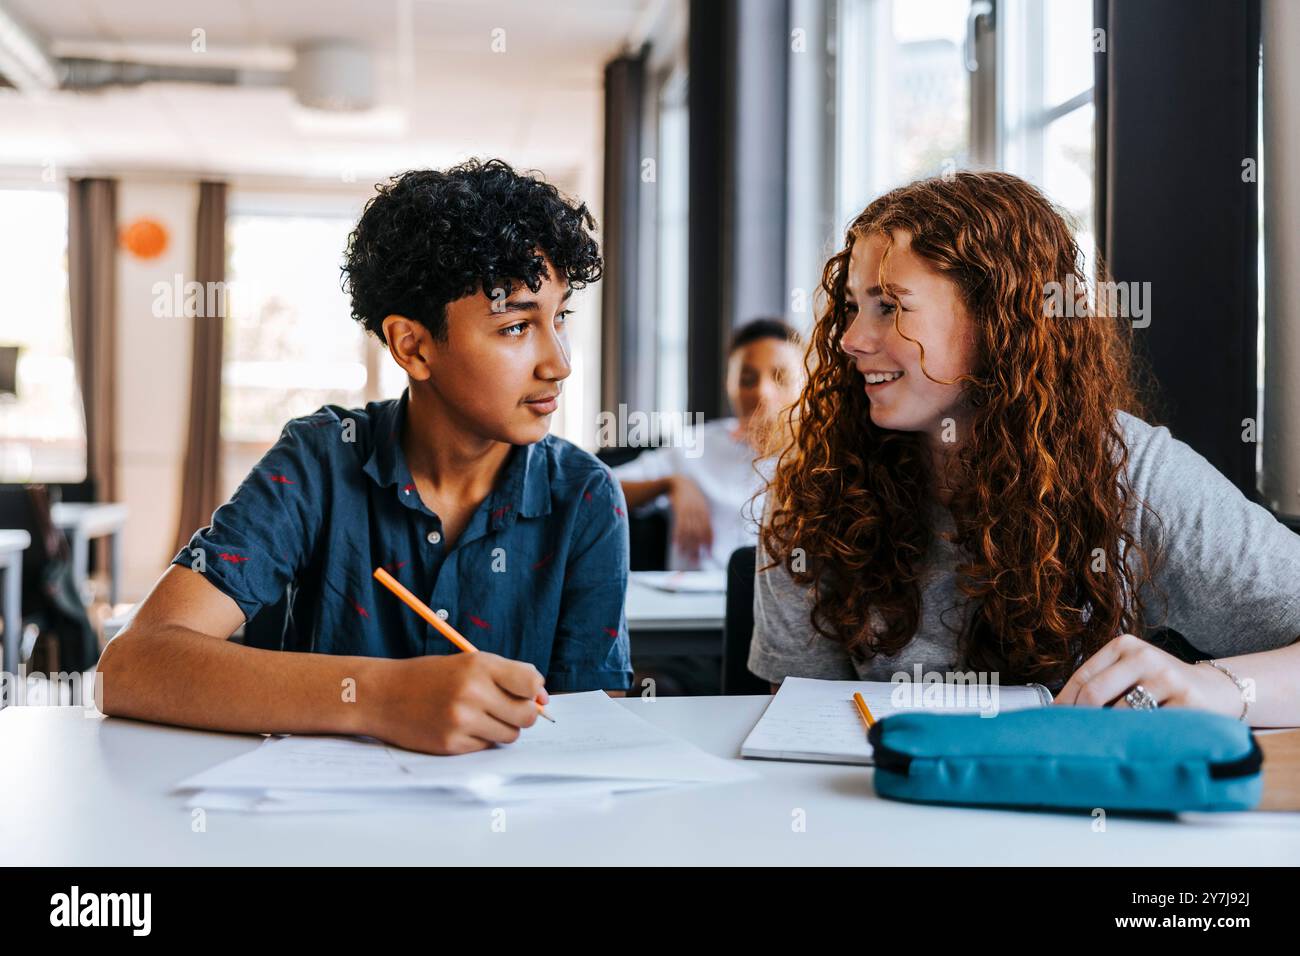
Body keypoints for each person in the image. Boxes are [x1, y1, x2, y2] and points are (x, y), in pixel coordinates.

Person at [98, 159, 632, 755]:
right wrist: (381, 697)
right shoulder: (321, 462)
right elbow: (133, 665)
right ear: (413, 345)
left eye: (559, 318)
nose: (558, 362)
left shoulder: (584, 495)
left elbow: (589, 736)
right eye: (515, 327)